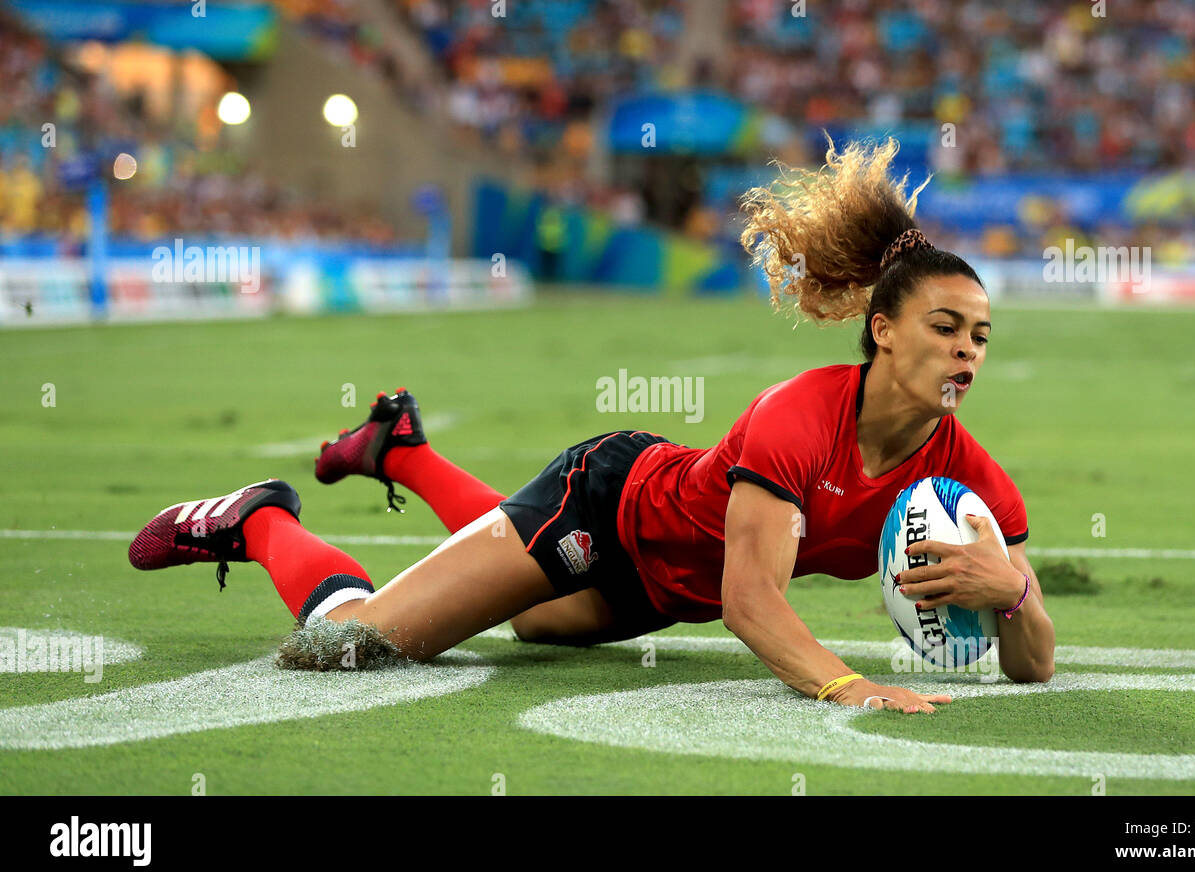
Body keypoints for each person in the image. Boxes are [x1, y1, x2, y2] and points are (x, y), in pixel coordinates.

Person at [129, 139, 1054, 713]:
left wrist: (1007, 590)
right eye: (944, 327)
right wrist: (854, 685)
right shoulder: (799, 418)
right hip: (606, 505)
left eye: (980, 334)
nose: (967, 350)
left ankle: (402, 451)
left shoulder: (972, 478)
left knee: (525, 616)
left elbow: (1034, 664)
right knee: (347, 647)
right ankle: (262, 520)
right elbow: (751, 601)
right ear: (883, 333)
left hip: (653, 591)